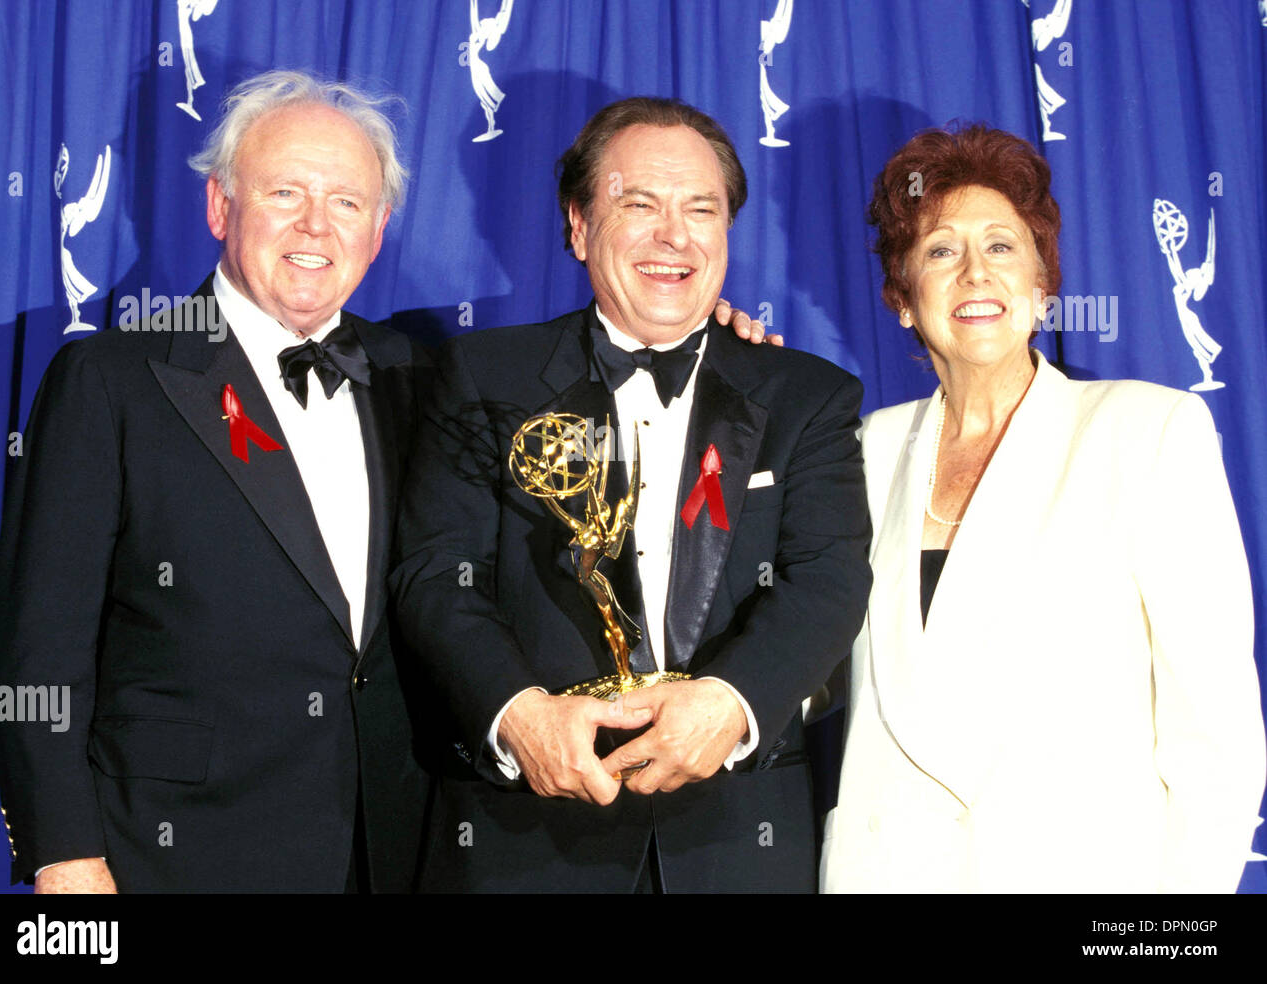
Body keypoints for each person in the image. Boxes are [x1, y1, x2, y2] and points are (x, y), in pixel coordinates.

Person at [395, 96, 872, 893]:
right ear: (578, 226)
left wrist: (732, 703)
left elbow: (827, 579)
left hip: (737, 843)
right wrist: (519, 717)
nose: (673, 235)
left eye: (700, 209)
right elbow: (435, 575)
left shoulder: (807, 395)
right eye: (639, 204)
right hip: (525, 838)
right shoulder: (484, 378)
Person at [0, 70, 429, 892]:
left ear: (379, 229)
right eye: (285, 192)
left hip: (386, 851)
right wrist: (62, 855)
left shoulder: (420, 375)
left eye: (346, 202)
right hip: (166, 858)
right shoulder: (110, 378)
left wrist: (738, 348)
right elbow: (38, 651)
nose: (315, 225)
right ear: (220, 206)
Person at [821, 124, 1266, 893]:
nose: (973, 273)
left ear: (1042, 286)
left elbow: (1215, 738)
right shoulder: (863, 450)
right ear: (902, 299)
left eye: (1001, 247)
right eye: (939, 251)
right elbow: (802, 662)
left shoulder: (1147, 430)